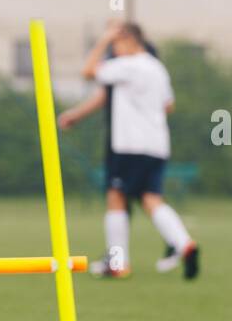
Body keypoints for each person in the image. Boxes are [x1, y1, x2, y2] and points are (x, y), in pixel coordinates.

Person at [69, 22, 198, 280]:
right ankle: (184, 243)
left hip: (128, 144)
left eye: (116, 43)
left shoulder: (126, 66)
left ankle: (119, 262)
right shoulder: (157, 68)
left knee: (116, 196)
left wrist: (103, 40)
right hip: (157, 144)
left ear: (127, 40)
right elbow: (168, 105)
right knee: (151, 198)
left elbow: (87, 72)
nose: (114, 49)